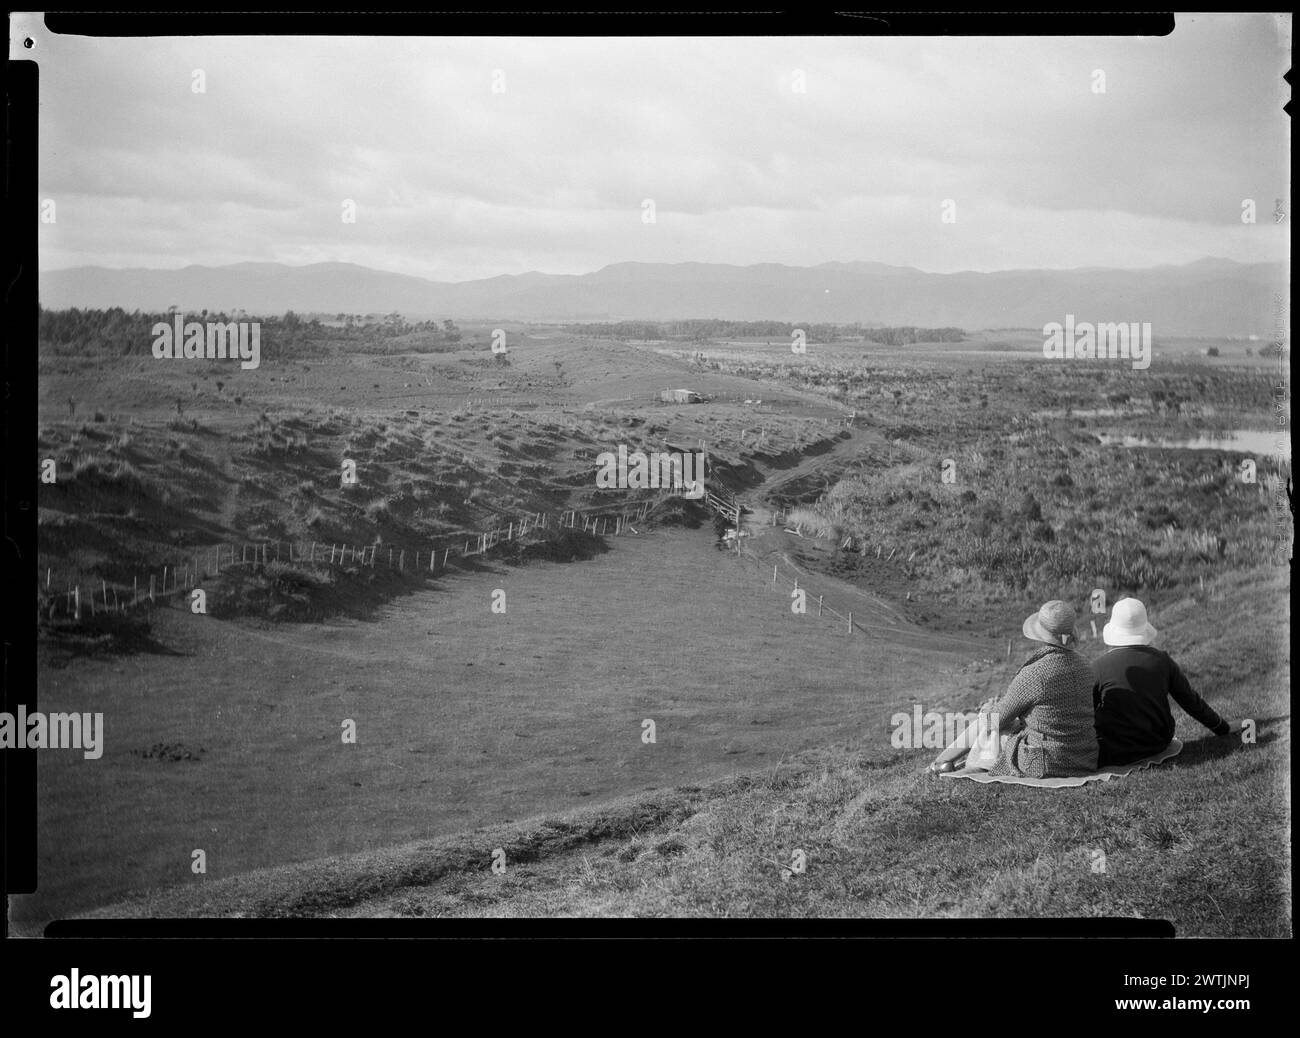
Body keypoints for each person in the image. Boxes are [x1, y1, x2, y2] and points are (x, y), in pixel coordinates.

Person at [928, 600, 1099, 778]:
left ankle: (941, 766)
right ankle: (945, 765)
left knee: (989, 721)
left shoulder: (1035, 673)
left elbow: (998, 720)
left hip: (1047, 762)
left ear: (1041, 634)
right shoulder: (1085, 665)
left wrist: (987, 711)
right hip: (1085, 758)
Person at [1092, 597, 1234, 766]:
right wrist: (1221, 727)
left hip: (1115, 751)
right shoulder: (1162, 660)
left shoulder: (1098, 667)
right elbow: (1190, 701)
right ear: (1144, 628)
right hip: (1158, 743)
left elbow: (1085, 713)